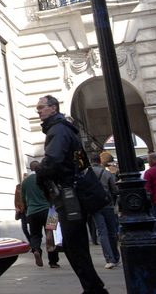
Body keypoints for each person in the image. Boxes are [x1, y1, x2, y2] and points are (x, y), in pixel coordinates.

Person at [35, 95, 107, 294]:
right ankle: (93, 287)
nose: (38, 111)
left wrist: (38, 171)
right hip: (71, 193)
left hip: (69, 195)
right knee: (73, 243)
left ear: (54, 109)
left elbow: (53, 160)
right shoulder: (61, 128)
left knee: (74, 245)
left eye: (41, 107)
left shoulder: (57, 130)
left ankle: (94, 289)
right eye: (38, 108)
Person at [22, 161, 59, 267]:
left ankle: (36, 250)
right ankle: (53, 261)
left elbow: (23, 198)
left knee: (35, 235)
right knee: (51, 235)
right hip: (50, 210)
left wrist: (26, 210)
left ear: (30, 168)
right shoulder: (46, 178)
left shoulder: (25, 182)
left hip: (32, 211)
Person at [90, 154, 120, 268]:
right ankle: (116, 257)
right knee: (112, 231)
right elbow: (115, 190)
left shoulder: (86, 174)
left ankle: (109, 259)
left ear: (91, 161)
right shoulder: (107, 173)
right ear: (100, 162)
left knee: (102, 232)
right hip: (108, 205)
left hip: (94, 205)